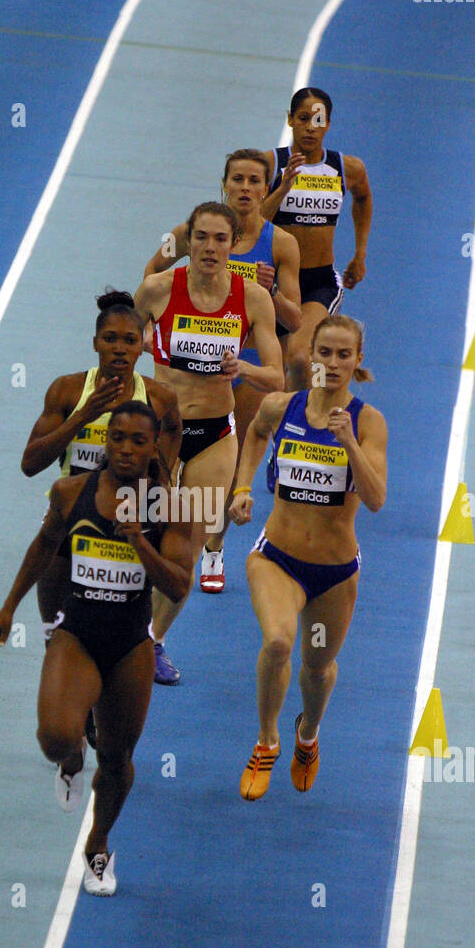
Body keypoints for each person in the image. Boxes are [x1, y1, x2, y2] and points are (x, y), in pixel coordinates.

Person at [0, 402, 194, 894]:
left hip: (129, 644)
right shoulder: (70, 491)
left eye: (138, 441)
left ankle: (98, 847)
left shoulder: (174, 507)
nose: (125, 448)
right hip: (76, 633)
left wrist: (140, 542)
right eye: (117, 438)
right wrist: (9, 606)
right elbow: (44, 545)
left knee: (119, 758)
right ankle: (72, 752)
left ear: (154, 447)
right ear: (106, 442)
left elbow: (179, 584)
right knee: (55, 737)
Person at [228, 315, 387, 800]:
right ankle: (267, 740)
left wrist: (349, 445)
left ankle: (307, 735)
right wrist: (241, 487)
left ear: (358, 361)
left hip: (335, 574)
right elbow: (254, 432)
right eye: (325, 353)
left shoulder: (368, 422)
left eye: (344, 355)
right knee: (278, 642)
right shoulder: (281, 406)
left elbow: (376, 498)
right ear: (311, 357)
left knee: (317, 667)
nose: (333, 363)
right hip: (276, 556)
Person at [21, 289, 181, 767]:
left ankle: (101, 714)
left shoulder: (160, 398)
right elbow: (31, 463)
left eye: (128, 340)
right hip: (67, 529)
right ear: (95, 343)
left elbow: (165, 479)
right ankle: (70, 729)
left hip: (125, 532)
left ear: (141, 346)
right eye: (109, 339)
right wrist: (83, 418)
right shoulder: (68, 391)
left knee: (113, 629)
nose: (118, 348)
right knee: (57, 634)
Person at [134, 201, 284, 684]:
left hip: (214, 436)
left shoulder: (253, 298)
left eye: (222, 239)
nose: (211, 248)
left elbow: (277, 375)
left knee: (187, 549)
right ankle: (122, 625)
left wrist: (242, 367)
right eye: (202, 238)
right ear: (188, 241)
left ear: (233, 243)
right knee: (139, 534)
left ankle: (153, 640)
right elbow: (119, 344)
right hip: (159, 435)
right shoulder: (157, 290)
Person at [143, 150, 302, 593]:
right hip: (180, 377)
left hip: (242, 368)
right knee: (157, 499)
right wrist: (151, 329)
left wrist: (268, 291)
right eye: (238, 179)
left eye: (255, 181)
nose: (246, 188)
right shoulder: (191, 232)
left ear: (266, 188)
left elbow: (293, 320)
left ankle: (213, 547)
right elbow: (151, 273)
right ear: (224, 183)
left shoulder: (281, 243)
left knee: (232, 466)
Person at [261, 88, 373, 391]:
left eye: (319, 120)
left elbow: (362, 197)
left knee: (299, 357)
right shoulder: (270, 165)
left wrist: (359, 254)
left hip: (317, 283)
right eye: (303, 118)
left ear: (329, 125)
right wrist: (282, 189)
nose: (311, 127)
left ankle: (298, 428)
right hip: (273, 282)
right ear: (290, 120)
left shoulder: (346, 168)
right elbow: (249, 222)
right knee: (266, 370)